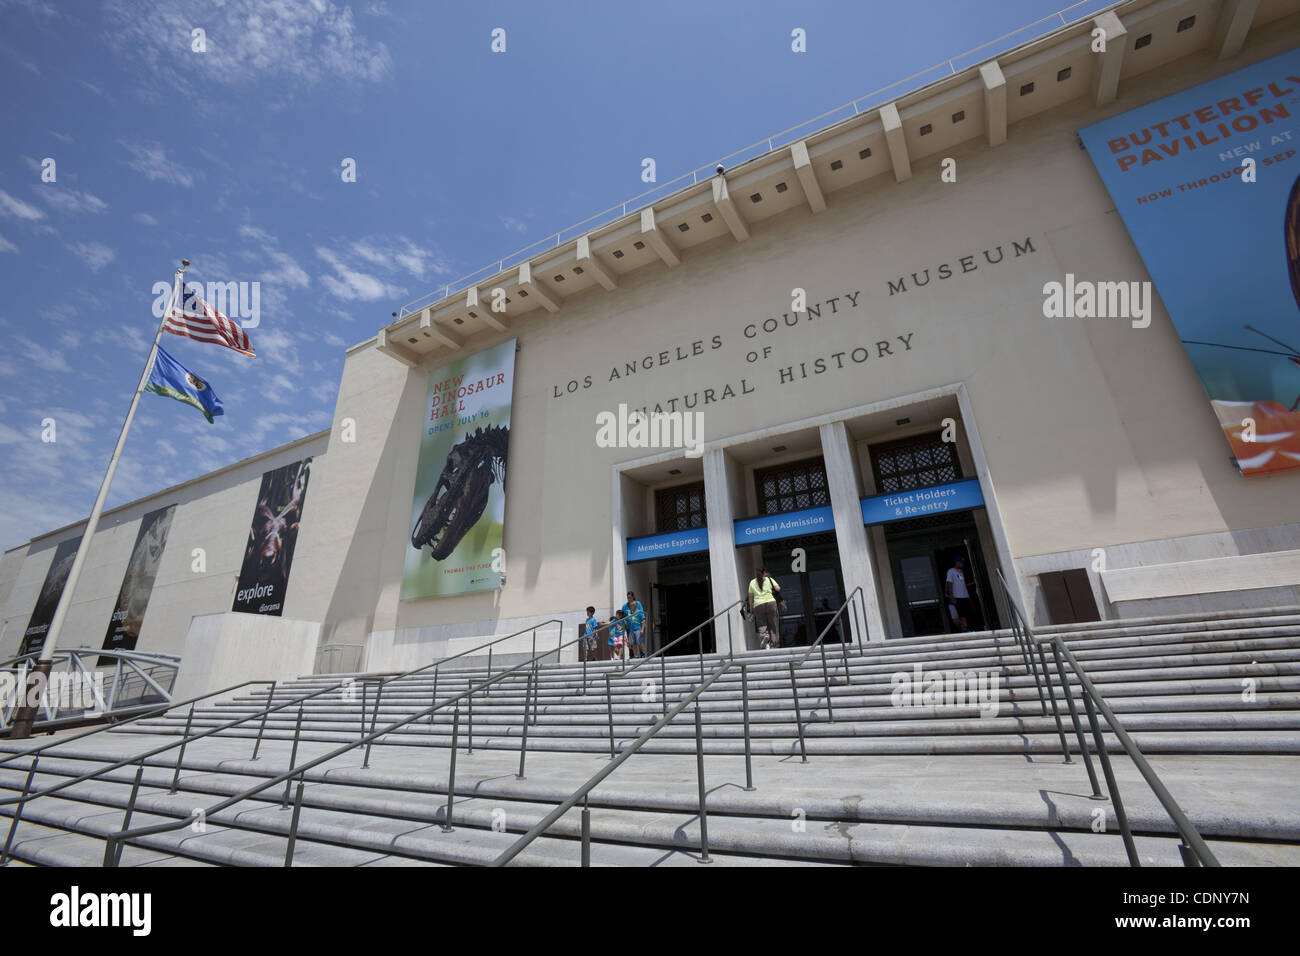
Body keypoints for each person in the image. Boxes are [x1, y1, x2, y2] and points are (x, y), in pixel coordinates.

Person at [747, 567, 786, 650]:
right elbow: (778, 589)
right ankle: (774, 644)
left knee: (762, 624)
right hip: (771, 603)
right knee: (773, 624)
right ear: (764, 572)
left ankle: (765, 639)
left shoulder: (752, 582)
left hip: (758, 605)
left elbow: (750, 597)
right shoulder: (769, 579)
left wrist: (751, 608)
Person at [946, 556, 972, 632]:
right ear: (957, 563)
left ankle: (966, 629)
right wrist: (951, 596)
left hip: (964, 596)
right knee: (958, 617)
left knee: (965, 614)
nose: (963, 564)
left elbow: (962, 584)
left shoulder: (961, 572)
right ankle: (962, 630)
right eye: (961, 562)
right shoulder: (951, 571)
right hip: (956, 597)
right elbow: (949, 583)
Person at [622, 591, 647, 659]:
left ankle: (643, 654)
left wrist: (642, 628)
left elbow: (641, 614)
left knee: (639, 641)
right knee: (631, 642)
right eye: (628, 598)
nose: (629, 599)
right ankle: (633, 655)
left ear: (633, 597)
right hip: (629, 627)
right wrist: (624, 623)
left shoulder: (637, 603)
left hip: (637, 627)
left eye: (630, 597)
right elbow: (623, 616)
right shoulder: (625, 606)